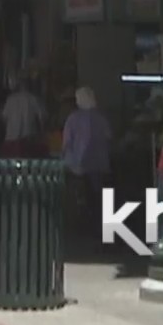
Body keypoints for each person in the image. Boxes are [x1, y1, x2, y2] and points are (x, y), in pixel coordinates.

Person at [62, 86, 113, 229]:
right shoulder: (101, 118)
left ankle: (85, 226)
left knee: (83, 198)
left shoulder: (72, 119)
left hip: (78, 167)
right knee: (99, 200)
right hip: (99, 166)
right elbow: (109, 138)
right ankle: (101, 228)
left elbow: (66, 143)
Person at [1, 76, 47, 156]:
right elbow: (42, 118)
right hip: (29, 138)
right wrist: (42, 135)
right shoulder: (33, 99)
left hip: (11, 138)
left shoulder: (10, 100)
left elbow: (4, 119)